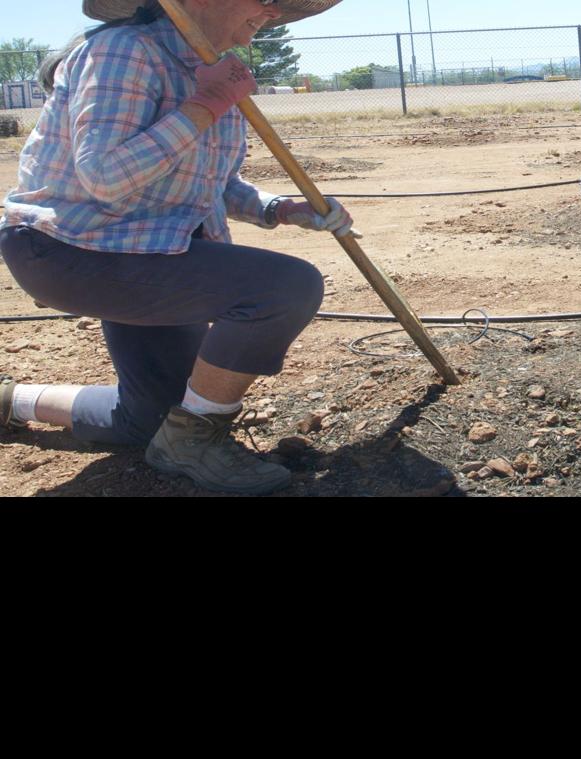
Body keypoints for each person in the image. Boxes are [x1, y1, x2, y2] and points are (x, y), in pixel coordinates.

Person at [1, 0, 352, 495]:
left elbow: (212, 180)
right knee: (282, 288)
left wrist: (280, 209)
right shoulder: (124, 52)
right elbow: (106, 176)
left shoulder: (208, 67)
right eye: (264, 1)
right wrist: (205, 106)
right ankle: (194, 442)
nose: (271, 13)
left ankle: (11, 401)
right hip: (69, 249)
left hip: (150, 251)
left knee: (148, 420)